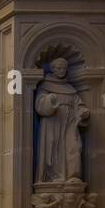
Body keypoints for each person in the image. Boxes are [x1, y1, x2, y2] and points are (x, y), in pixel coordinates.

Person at [34, 56, 90, 184]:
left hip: (70, 123)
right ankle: (53, 177)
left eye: (64, 68)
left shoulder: (70, 88)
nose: (61, 71)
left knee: (74, 146)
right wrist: (49, 100)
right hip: (52, 122)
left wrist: (83, 112)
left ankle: (73, 176)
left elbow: (78, 104)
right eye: (59, 68)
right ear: (53, 69)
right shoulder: (45, 85)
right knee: (53, 149)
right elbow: (39, 104)